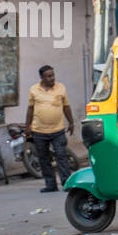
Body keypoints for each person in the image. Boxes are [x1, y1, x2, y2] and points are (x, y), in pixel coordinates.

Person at [25, 64, 75, 193]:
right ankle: (50, 184)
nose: (52, 78)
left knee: (61, 155)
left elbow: (66, 106)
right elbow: (30, 109)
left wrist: (71, 122)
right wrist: (27, 126)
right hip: (39, 131)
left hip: (58, 130)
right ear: (41, 77)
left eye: (53, 75)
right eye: (48, 76)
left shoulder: (61, 88)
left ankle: (66, 183)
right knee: (43, 158)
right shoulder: (34, 90)